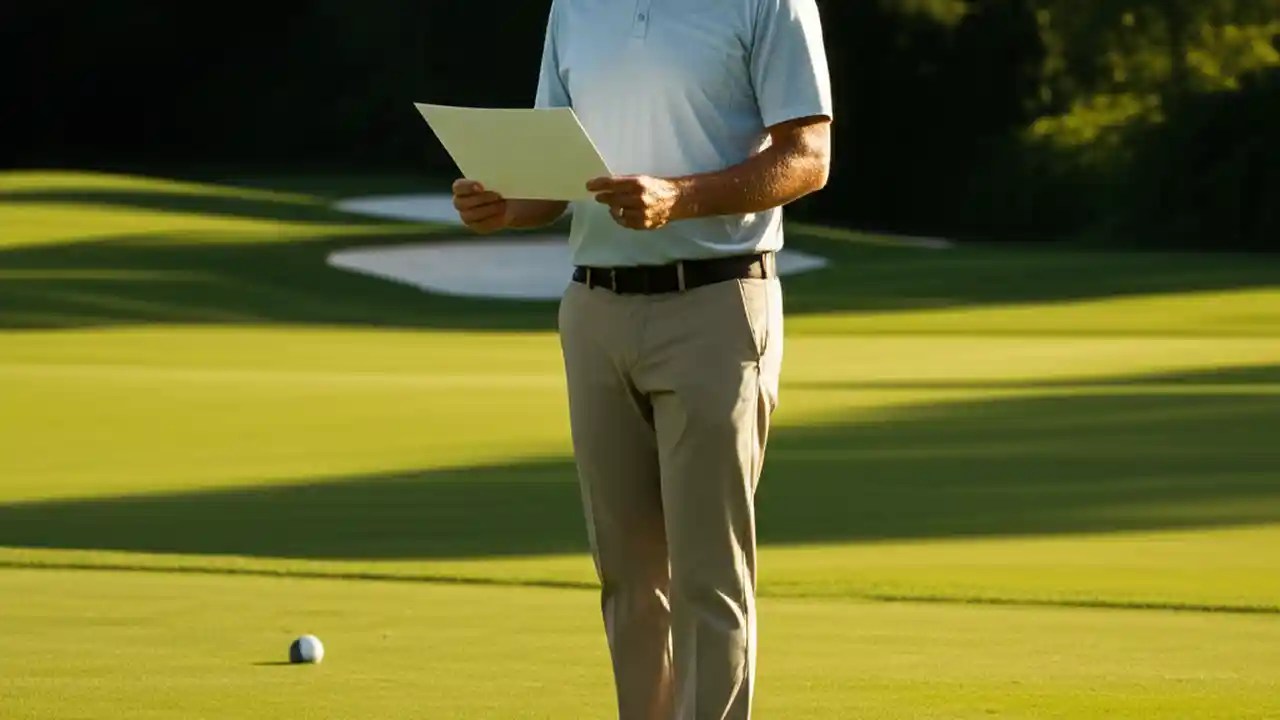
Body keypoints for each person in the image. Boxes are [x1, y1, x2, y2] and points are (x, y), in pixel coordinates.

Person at [452, 1, 832, 717]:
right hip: (595, 306)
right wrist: (503, 204)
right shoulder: (576, 6)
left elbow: (808, 158)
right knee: (627, 577)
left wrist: (679, 198)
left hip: (716, 303)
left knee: (706, 576)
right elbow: (550, 179)